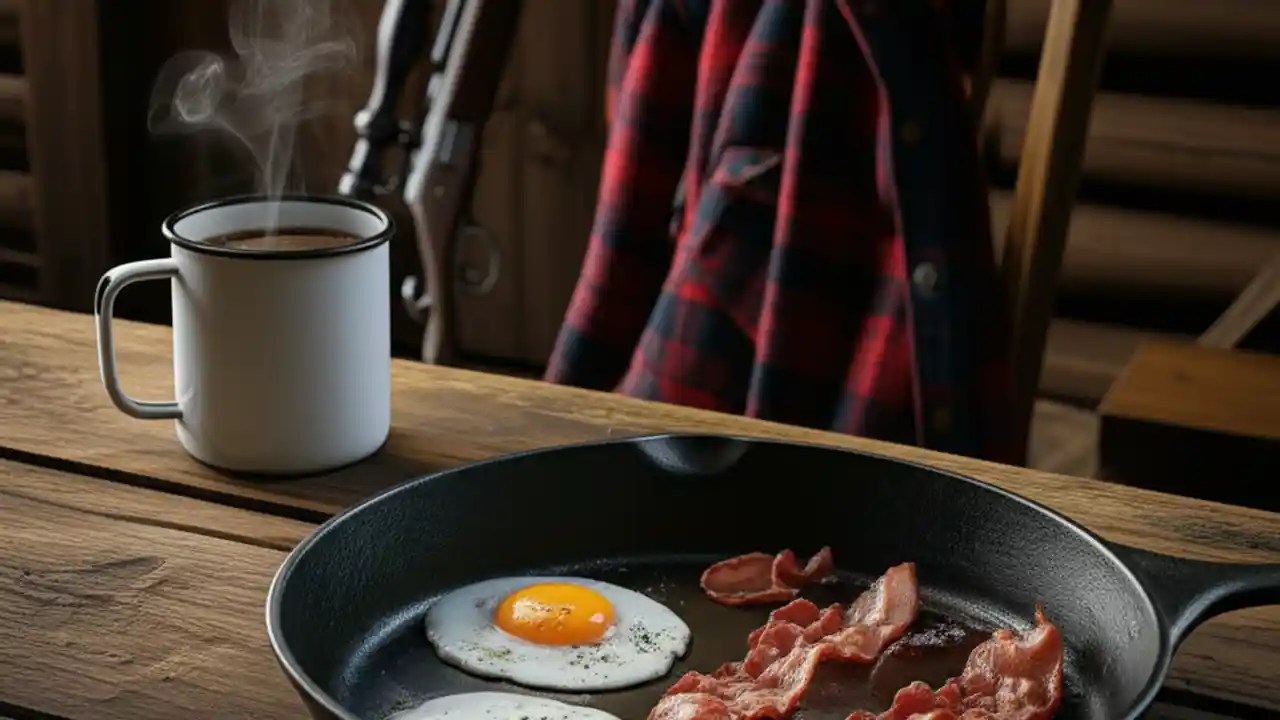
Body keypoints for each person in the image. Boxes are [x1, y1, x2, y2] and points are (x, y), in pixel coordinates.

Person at [545, 0, 1016, 464]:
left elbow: (618, 260)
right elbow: (619, 254)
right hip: (727, 435)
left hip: (817, 456)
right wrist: (551, 424)